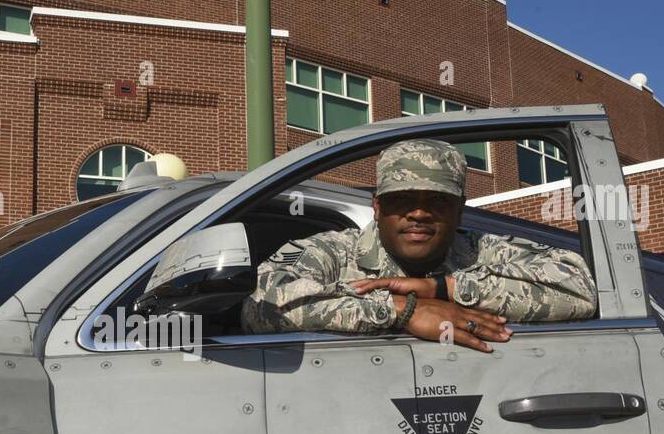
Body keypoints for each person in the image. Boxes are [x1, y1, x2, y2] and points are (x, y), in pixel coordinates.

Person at [240, 139, 599, 352]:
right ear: (378, 208)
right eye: (403, 200)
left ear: (459, 212)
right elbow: (261, 306)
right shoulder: (331, 252)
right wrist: (403, 311)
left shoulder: (482, 250)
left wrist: (446, 288)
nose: (419, 213)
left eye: (437, 202)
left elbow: (580, 289)